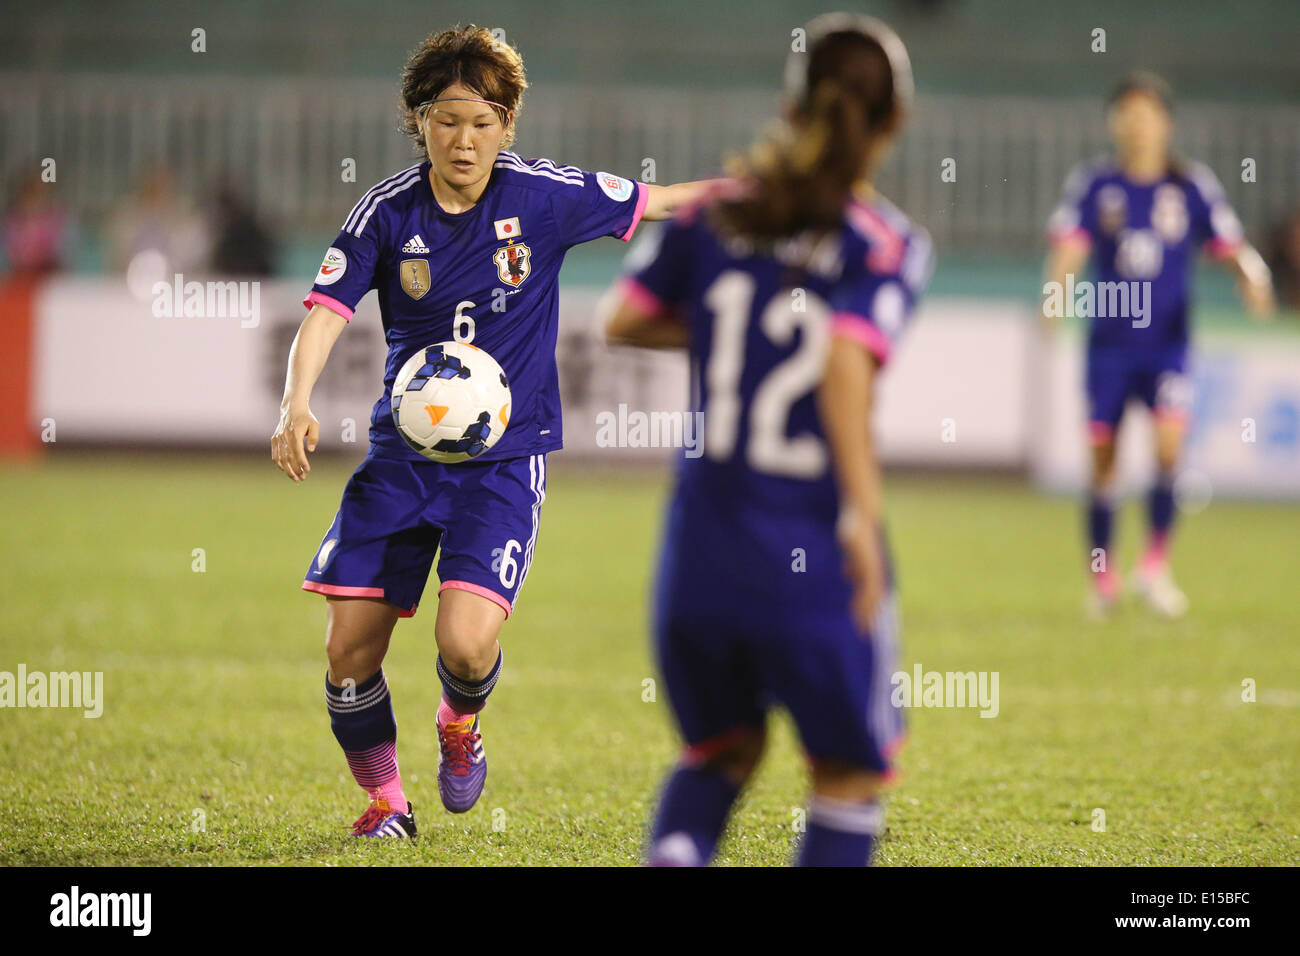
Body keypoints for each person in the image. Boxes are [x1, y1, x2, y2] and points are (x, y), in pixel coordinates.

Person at [270, 24, 717, 839]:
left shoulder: (544, 197)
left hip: (503, 463)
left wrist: (761, 191)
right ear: (418, 121)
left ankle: (459, 723)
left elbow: (662, 202)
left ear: (508, 125)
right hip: (401, 460)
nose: (464, 139)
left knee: (468, 647)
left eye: (482, 122)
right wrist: (295, 400)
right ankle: (387, 806)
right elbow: (326, 309)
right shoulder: (386, 211)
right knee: (348, 653)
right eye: (447, 119)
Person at [604, 13, 931, 866]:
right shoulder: (884, 243)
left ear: (792, 107)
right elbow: (846, 365)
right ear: (893, 121)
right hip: (811, 553)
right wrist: (862, 513)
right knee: (849, 775)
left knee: (722, 750)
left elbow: (625, 319)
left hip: (702, 550)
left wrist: (723, 335)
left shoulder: (715, 212)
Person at [1042, 72, 1275, 619]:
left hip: (1167, 346)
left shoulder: (1191, 186)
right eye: (1126, 113)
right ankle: (1102, 577)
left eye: (1147, 113)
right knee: (1103, 462)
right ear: (1114, 123)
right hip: (1109, 347)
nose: (1137, 124)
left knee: (1169, 450)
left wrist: (1251, 275)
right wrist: (1055, 299)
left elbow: (1229, 243)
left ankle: (1154, 567)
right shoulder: (1096, 185)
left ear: (1165, 123)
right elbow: (1069, 249)